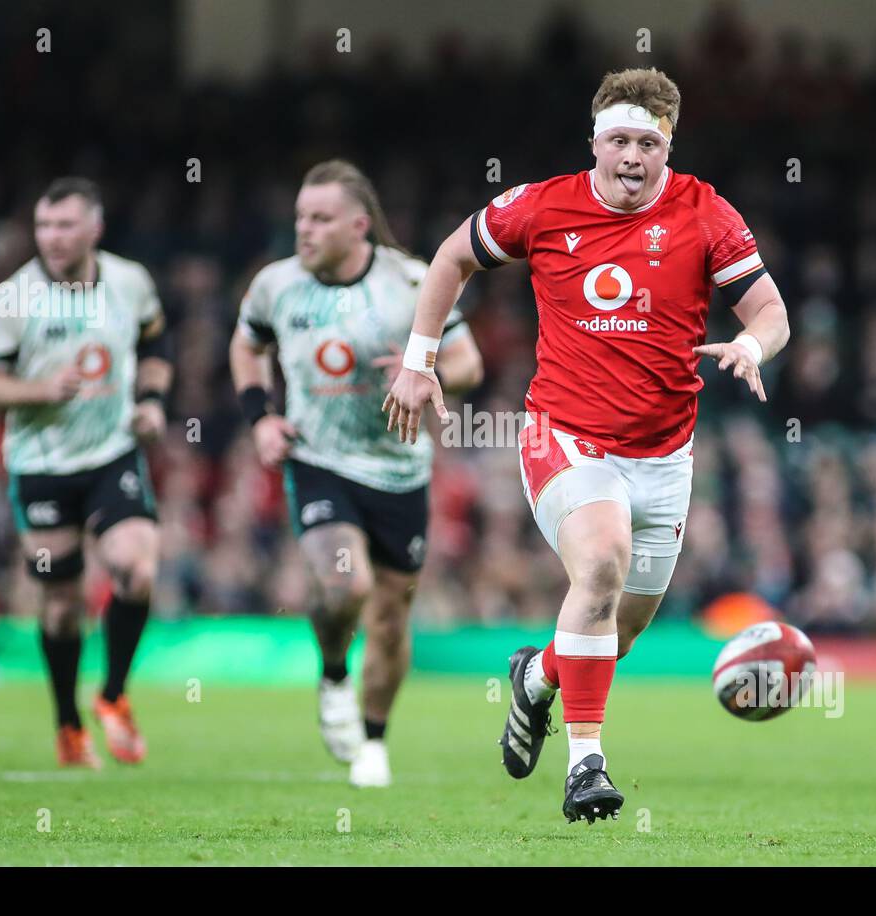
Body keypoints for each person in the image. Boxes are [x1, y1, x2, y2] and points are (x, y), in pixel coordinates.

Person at [384, 68, 790, 822]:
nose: (632, 156)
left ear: (669, 145)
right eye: (619, 140)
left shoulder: (706, 212)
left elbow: (769, 310)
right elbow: (450, 258)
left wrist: (754, 347)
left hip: (664, 454)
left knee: (621, 629)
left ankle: (535, 678)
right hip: (565, 436)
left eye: (648, 142)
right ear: (594, 142)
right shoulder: (541, 206)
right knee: (601, 564)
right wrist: (418, 362)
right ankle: (586, 768)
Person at [230, 160, 483, 787]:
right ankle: (335, 670)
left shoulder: (413, 281)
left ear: (359, 225)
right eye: (300, 218)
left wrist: (424, 373)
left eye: (320, 219)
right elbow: (247, 345)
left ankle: (373, 740)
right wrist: (260, 416)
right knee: (346, 586)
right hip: (319, 460)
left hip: (399, 468)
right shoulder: (275, 285)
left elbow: (469, 363)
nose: (305, 230)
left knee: (393, 617)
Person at [0, 177, 171, 768]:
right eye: (44, 227)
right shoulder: (12, 300)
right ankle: (67, 724)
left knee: (136, 565)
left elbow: (156, 342)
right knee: (60, 602)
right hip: (43, 466)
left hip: (111, 454)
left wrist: (153, 402)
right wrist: (38, 390)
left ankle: (112, 696)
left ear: (94, 229)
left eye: (65, 226)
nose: (52, 238)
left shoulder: (130, 282)